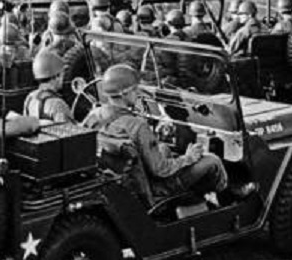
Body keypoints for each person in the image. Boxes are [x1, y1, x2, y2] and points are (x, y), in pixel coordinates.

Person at [81, 64, 237, 200]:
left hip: (120, 182)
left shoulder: (94, 115)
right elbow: (161, 170)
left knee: (164, 148)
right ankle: (225, 200)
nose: (138, 93)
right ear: (124, 93)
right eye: (135, 89)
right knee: (212, 160)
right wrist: (188, 158)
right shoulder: (137, 125)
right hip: (155, 188)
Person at [24, 50, 75, 123]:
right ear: (57, 76)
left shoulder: (29, 98)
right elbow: (72, 131)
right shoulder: (58, 104)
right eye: (62, 74)